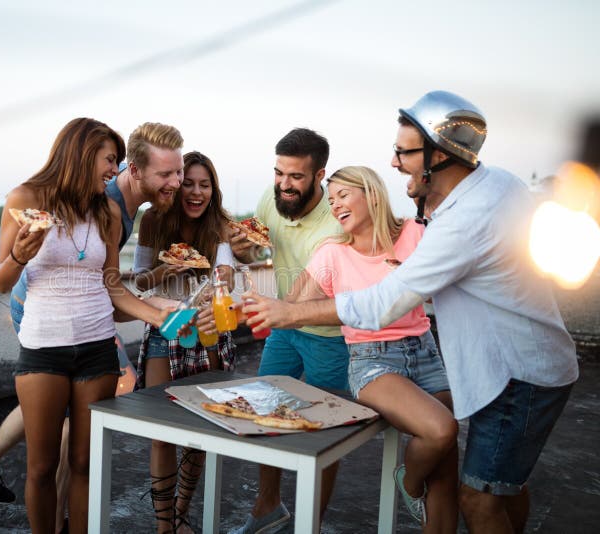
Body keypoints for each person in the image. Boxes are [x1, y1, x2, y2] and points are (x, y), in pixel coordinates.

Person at [242, 91, 580, 534]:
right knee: (501, 486)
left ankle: (413, 483)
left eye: (404, 152)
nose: (396, 161)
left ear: (438, 155)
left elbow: (386, 302)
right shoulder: (499, 185)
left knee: (479, 498)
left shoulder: (453, 222)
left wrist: (285, 314)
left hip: (514, 373)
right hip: (505, 363)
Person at [0, 121, 186, 533]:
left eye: (117, 160)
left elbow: (112, 287)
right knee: (41, 468)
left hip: (97, 348)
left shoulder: (107, 211)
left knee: (84, 463)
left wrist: (158, 313)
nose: (114, 170)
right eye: (109, 159)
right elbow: (2, 281)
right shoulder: (24, 199)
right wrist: (20, 256)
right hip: (44, 347)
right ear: (81, 152)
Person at [294, 165, 458, 531]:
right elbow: (293, 307)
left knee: (446, 472)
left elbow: (447, 286)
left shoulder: (416, 233)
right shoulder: (332, 253)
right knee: (442, 430)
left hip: (426, 352)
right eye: (331, 199)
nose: (335, 205)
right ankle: (409, 481)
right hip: (372, 361)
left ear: (370, 193)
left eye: (343, 195)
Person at [228, 128, 349, 534]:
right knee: (263, 413)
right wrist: (242, 246)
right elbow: (253, 245)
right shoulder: (272, 196)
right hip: (284, 328)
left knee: (323, 433)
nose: (284, 184)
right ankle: (268, 507)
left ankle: (310, 524)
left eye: (296, 176)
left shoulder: (338, 217)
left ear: (320, 175)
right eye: (279, 172)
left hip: (330, 338)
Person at [133, 151, 237, 533]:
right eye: (188, 183)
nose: (196, 192)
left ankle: (181, 513)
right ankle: (164, 526)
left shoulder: (220, 224)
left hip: (208, 328)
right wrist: (165, 269)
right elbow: (140, 282)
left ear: (213, 188)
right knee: (163, 432)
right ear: (176, 187)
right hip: (166, 327)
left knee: (200, 430)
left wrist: (217, 287)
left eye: (204, 184)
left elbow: (224, 276)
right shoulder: (153, 220)